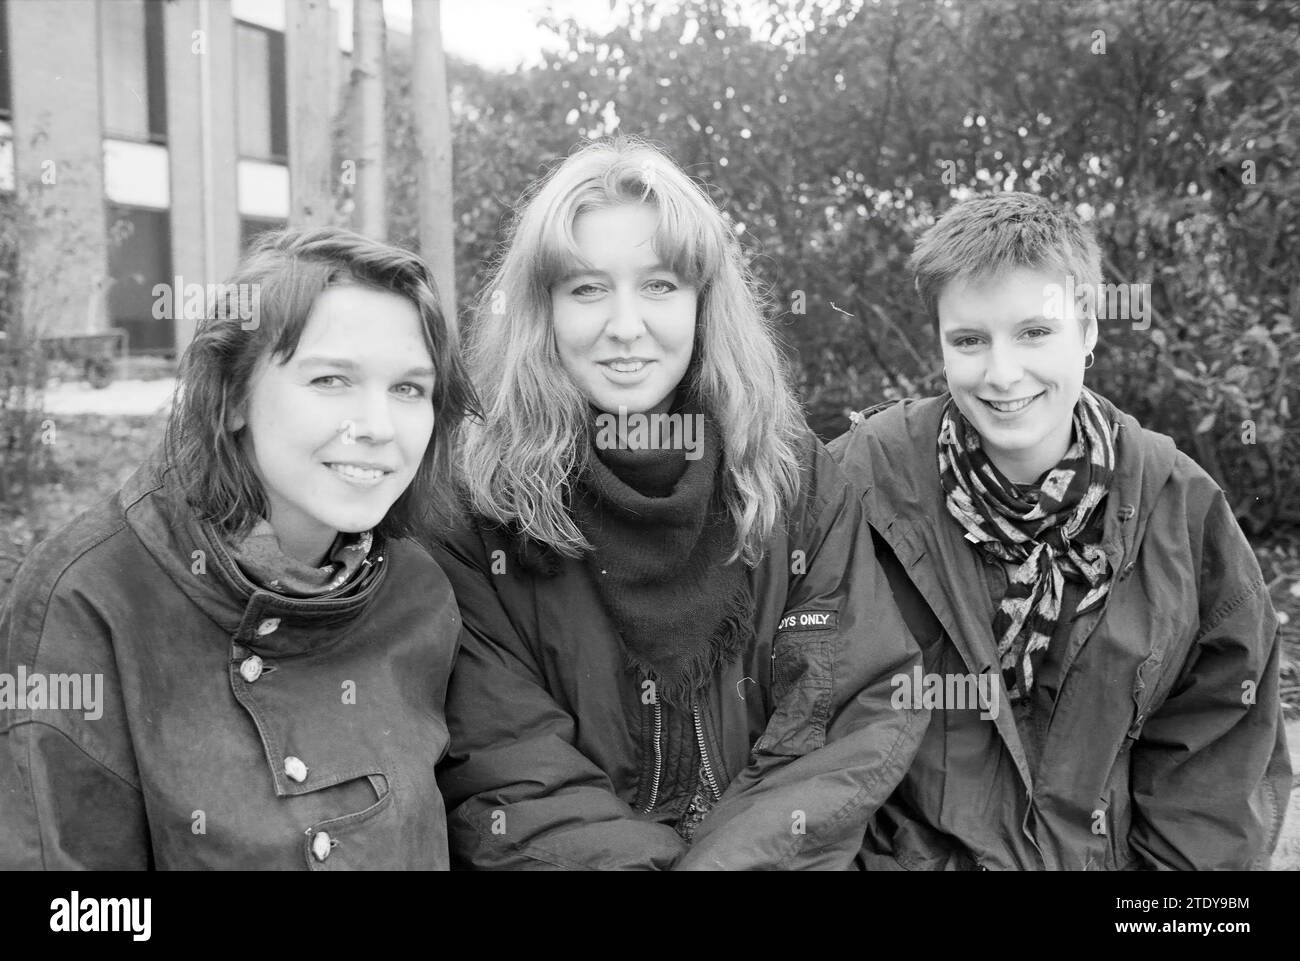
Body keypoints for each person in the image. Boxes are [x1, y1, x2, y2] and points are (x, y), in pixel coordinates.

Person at [430, 137, 926, 870]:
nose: (625, 325)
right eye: (588, 289)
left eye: (660, 285)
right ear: (543, 309)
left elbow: (851, 709)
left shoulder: (791, 473)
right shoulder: (478, 505)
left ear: (703, 302)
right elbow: (507, 763)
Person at [831, 192, 1291, 870]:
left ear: (1089, 329)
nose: (1002, 373)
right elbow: (808, 722)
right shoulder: (860, 480)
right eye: (969, 340)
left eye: (1034, 332)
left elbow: (1219, 753)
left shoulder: (1180, 504)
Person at [0, 226, 477, 869]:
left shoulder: (421, 592)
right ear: (232, 396)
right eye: (332, 379)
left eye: (408, 389)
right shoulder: (87, 598)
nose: (377, 427)